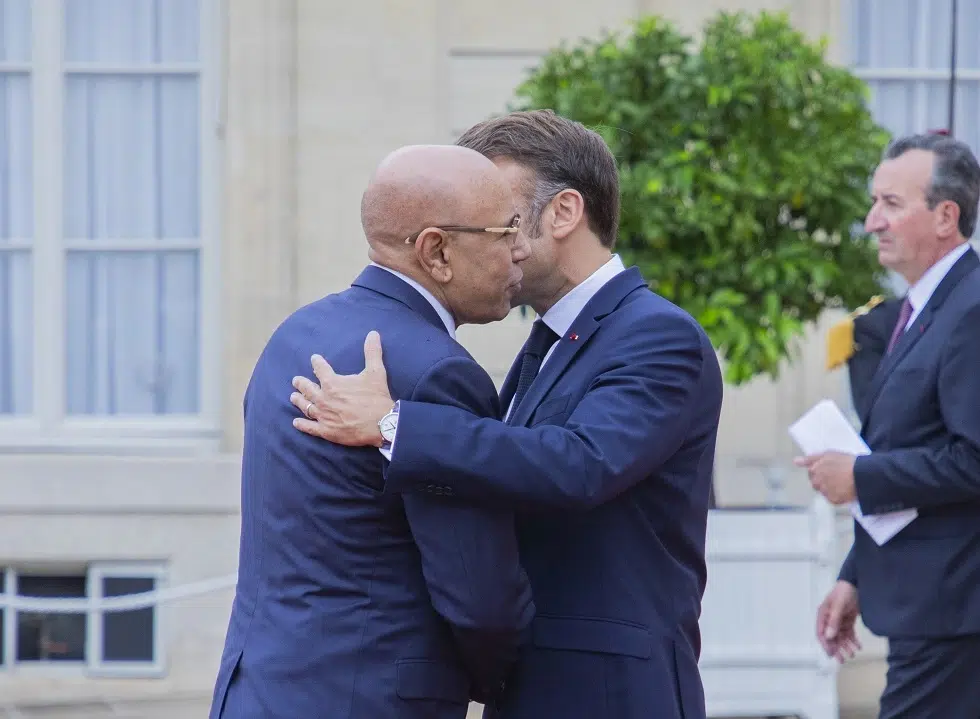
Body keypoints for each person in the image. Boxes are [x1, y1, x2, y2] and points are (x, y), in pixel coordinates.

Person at [290, 110, 723, 719]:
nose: (491, 238)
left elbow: (581, 464)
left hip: (609, 693)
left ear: (563, 213)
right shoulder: (547, 341)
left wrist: (393, 425)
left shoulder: (657, 335)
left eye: (506, 217)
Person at [209, 144, 534, 719]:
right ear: (436, 251)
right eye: (505, 231)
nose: (521, 252)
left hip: (258, 691)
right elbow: (479, 597)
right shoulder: (438, 373)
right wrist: (516, 684)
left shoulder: (298, 332)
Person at [798, 133, 980, 718]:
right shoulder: (922, 306)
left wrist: (861, 476)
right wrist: (855, 574)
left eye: (892, 204)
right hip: (929, 603)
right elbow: (911, 444)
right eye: (875, 203)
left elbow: (972, 459)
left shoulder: (970, 308)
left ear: (946, 216)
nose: (873, 221)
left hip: (955, 610)